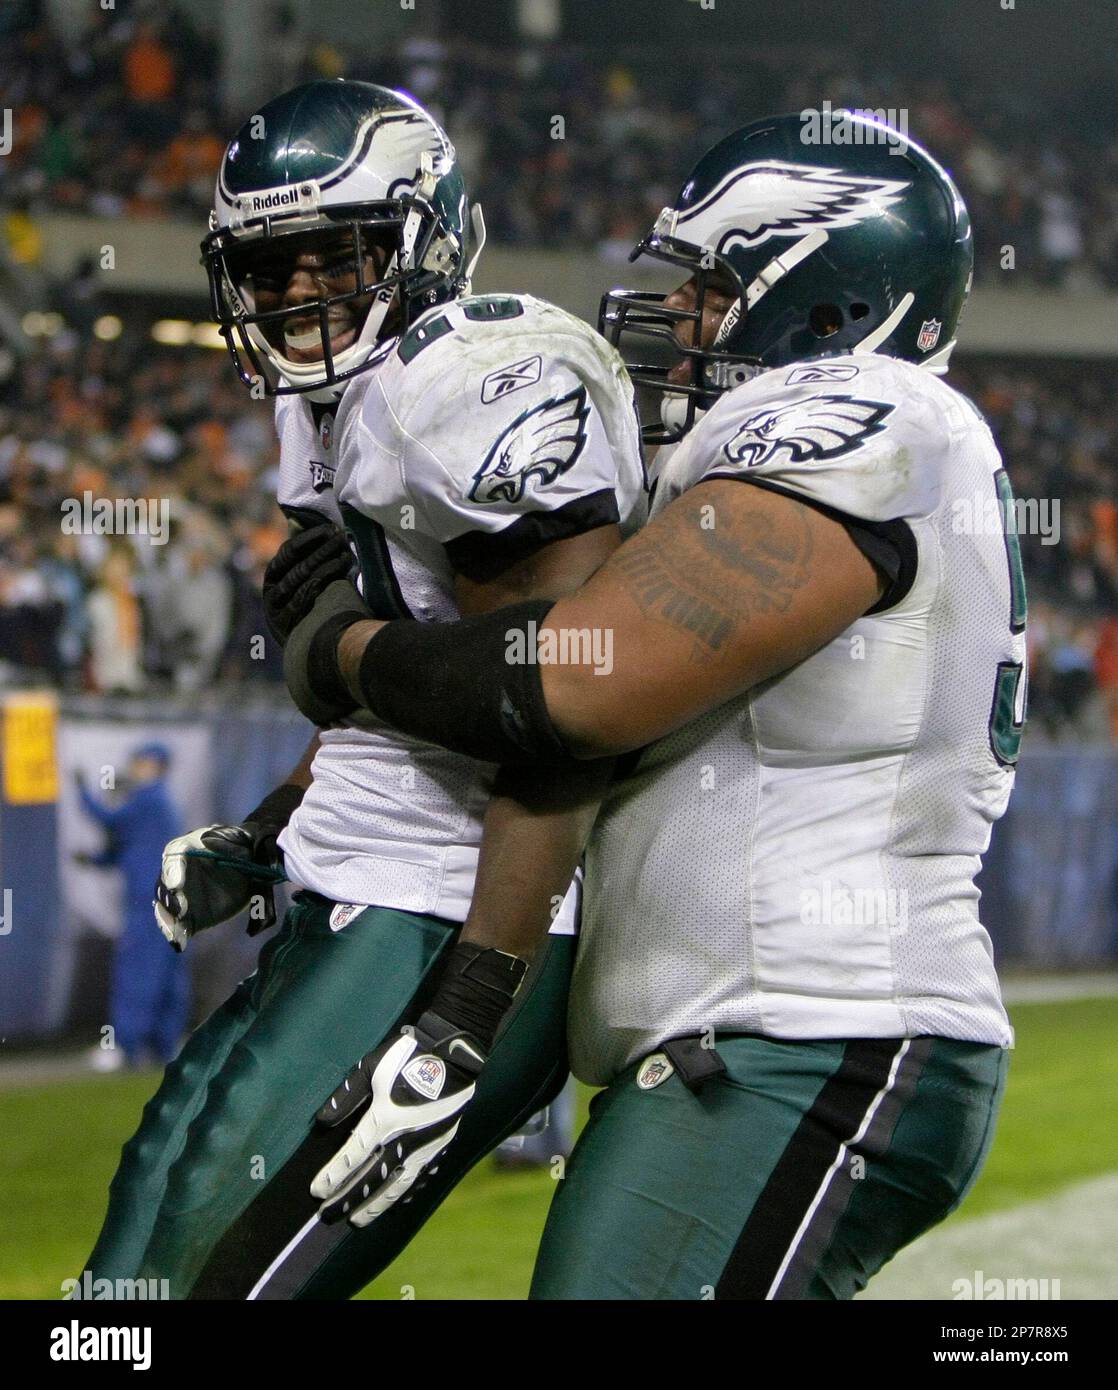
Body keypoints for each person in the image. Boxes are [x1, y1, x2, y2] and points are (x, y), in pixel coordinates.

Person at [273, 113, 1026, 1299]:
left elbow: (577, 684)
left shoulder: (866, 405)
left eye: (713, 289)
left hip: (810, 1029)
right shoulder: (821, 445)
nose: (675, 322)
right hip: (752, 1038)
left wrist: (349, 651)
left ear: (828, 299)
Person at [83, 80, 644, 1300]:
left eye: (327, 255)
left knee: (202, 1284)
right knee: (134, 1250)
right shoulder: (323, 402)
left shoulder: (479, 384)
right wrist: (273, 823)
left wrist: (470, 1005)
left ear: (424, 233)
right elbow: (392, 671)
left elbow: (557, 708)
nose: (297, 293)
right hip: (354, 879)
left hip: (454, 903)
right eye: (271, 265)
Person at [75, 744, 188, 1069]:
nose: (136, 768)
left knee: (138, 973)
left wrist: (82, 791)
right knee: (166, 975)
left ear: (156, 765)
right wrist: (95, 859)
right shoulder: (159, 803)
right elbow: (129, 847)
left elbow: (109, 820)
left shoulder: (149, 799)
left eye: (142, 762)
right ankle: (163, 1048)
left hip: (147, 902)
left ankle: (125, 1048)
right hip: (169, 901)